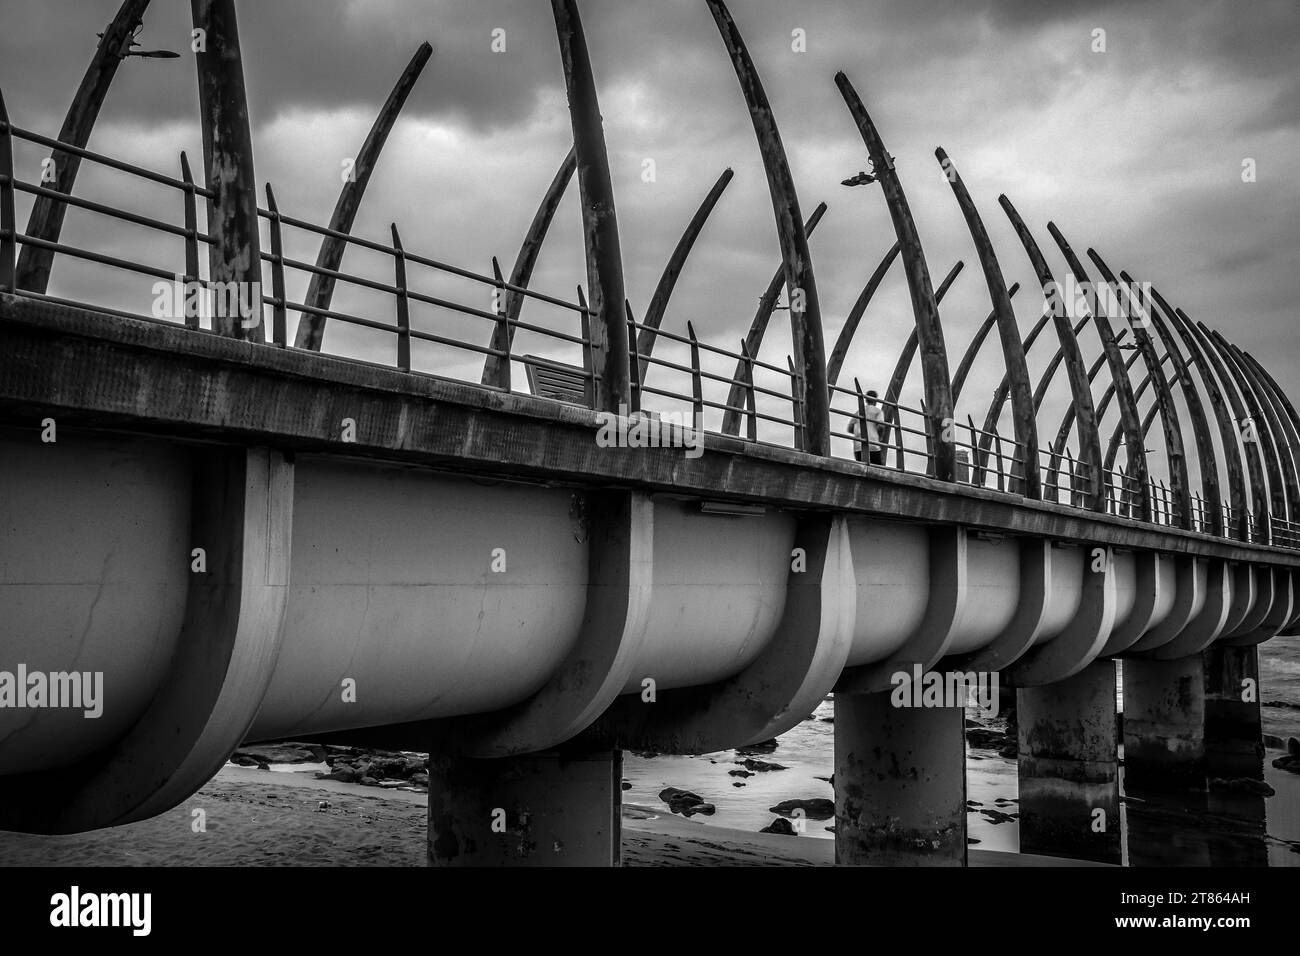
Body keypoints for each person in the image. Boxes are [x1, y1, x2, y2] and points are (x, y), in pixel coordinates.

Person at [848, 390, 887, 465]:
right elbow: (881, 426)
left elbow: (850, 428)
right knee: (878, 471)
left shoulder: (859, 412)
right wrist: (880, 437)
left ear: (866, 399)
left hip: (858, 447)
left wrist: (859, 431)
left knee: (862, 470)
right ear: (876, 400)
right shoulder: (878, 411)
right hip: (873, 445)